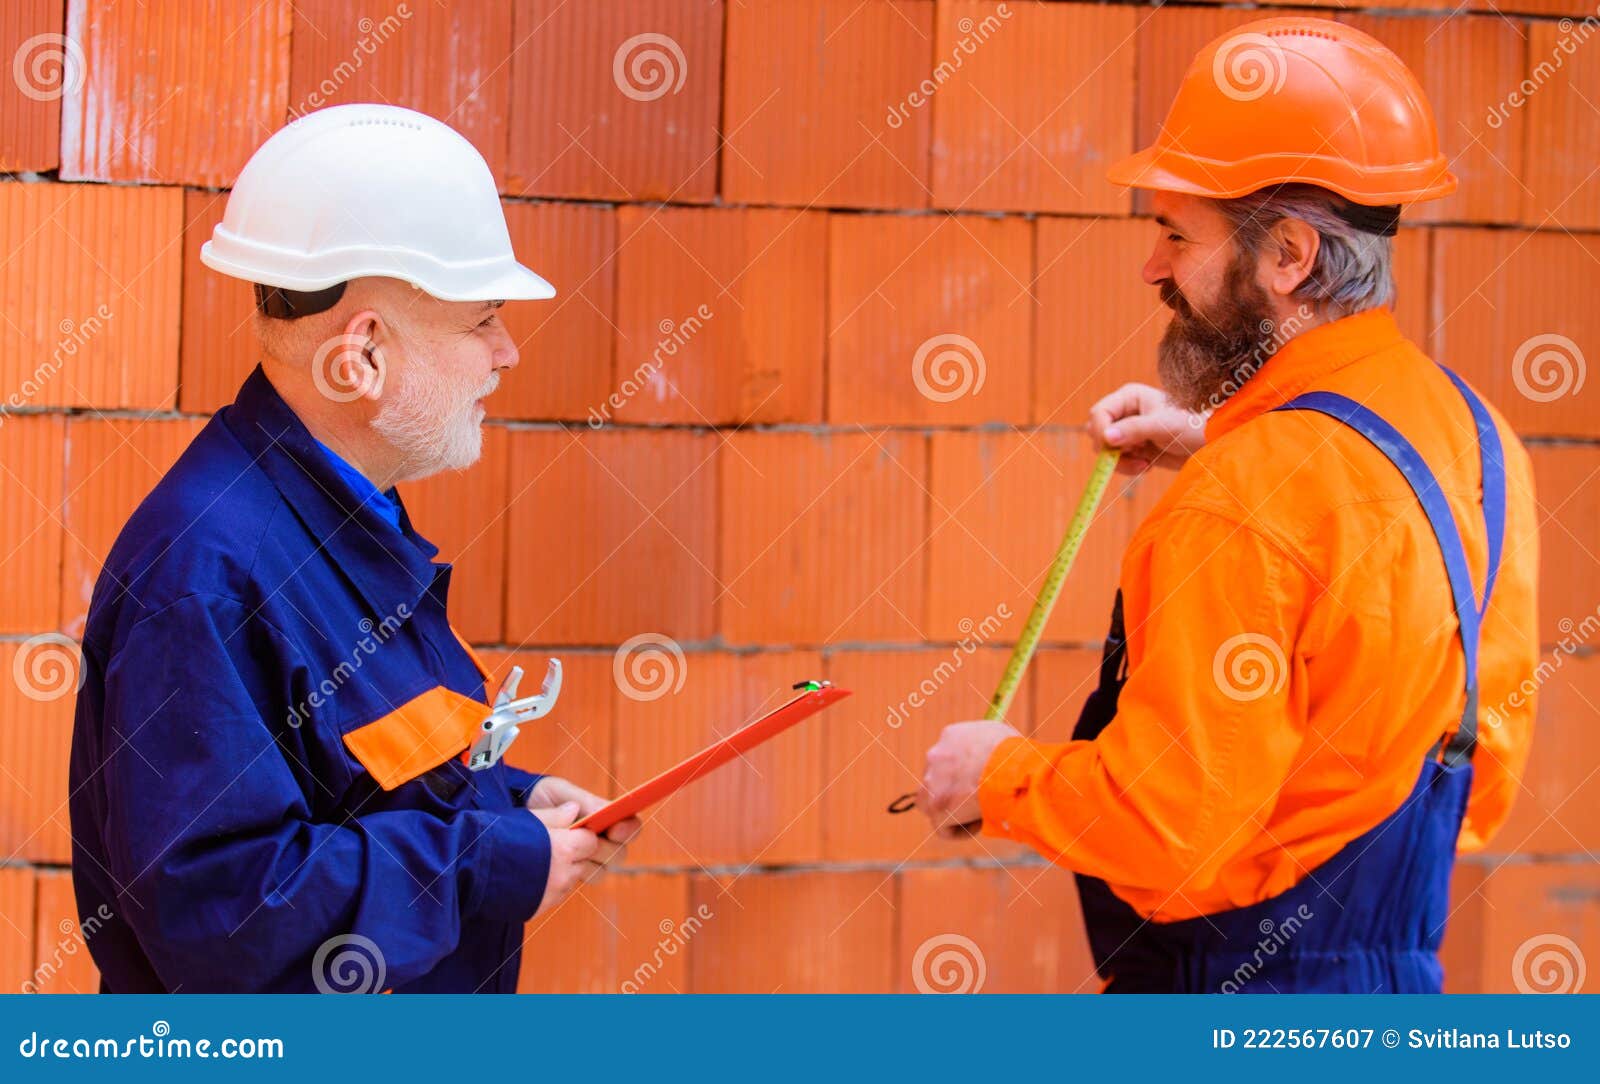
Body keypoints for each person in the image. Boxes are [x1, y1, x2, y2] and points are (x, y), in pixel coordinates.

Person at [915, 18, 1539, 993]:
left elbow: (1166, 830)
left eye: (1175, 231)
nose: (1151, 268)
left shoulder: (1242, 502)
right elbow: (1478, 776)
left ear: (1287, 254)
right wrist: (1208, 438)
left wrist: (996, 774)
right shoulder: (1473, 433)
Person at [68, 104, 638, 993]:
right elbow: (225, 910)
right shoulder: (206, 577)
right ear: (360, 355)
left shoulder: (338, 521)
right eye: (480, 320)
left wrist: (508, 802)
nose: (507, 352)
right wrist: (485, 861)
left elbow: (361, 776)